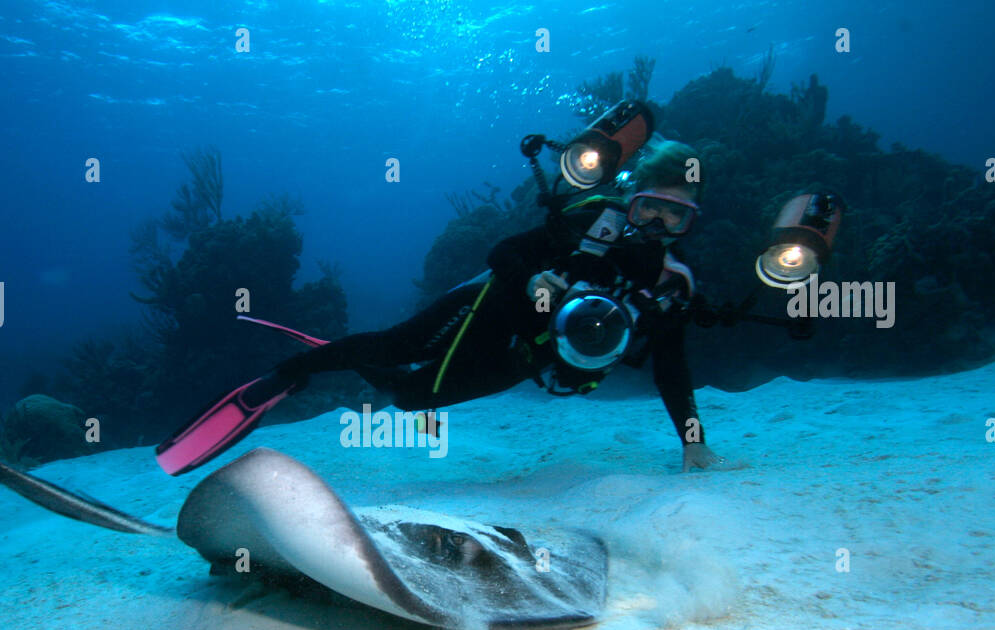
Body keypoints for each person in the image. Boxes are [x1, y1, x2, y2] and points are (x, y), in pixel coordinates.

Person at [157, 138, 732, 475]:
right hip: (491, 305)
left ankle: (361, 369)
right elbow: (503, 253)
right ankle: (285, 376)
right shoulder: (589, 225)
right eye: (651, 208)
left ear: (690, 223)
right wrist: (542, 278)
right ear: (631, 199)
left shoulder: (671, 282)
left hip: (530, 357)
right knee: (396, 347)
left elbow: (672, 362)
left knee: (411, 398)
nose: (657, 226)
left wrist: (693, 439)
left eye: (675, 216)